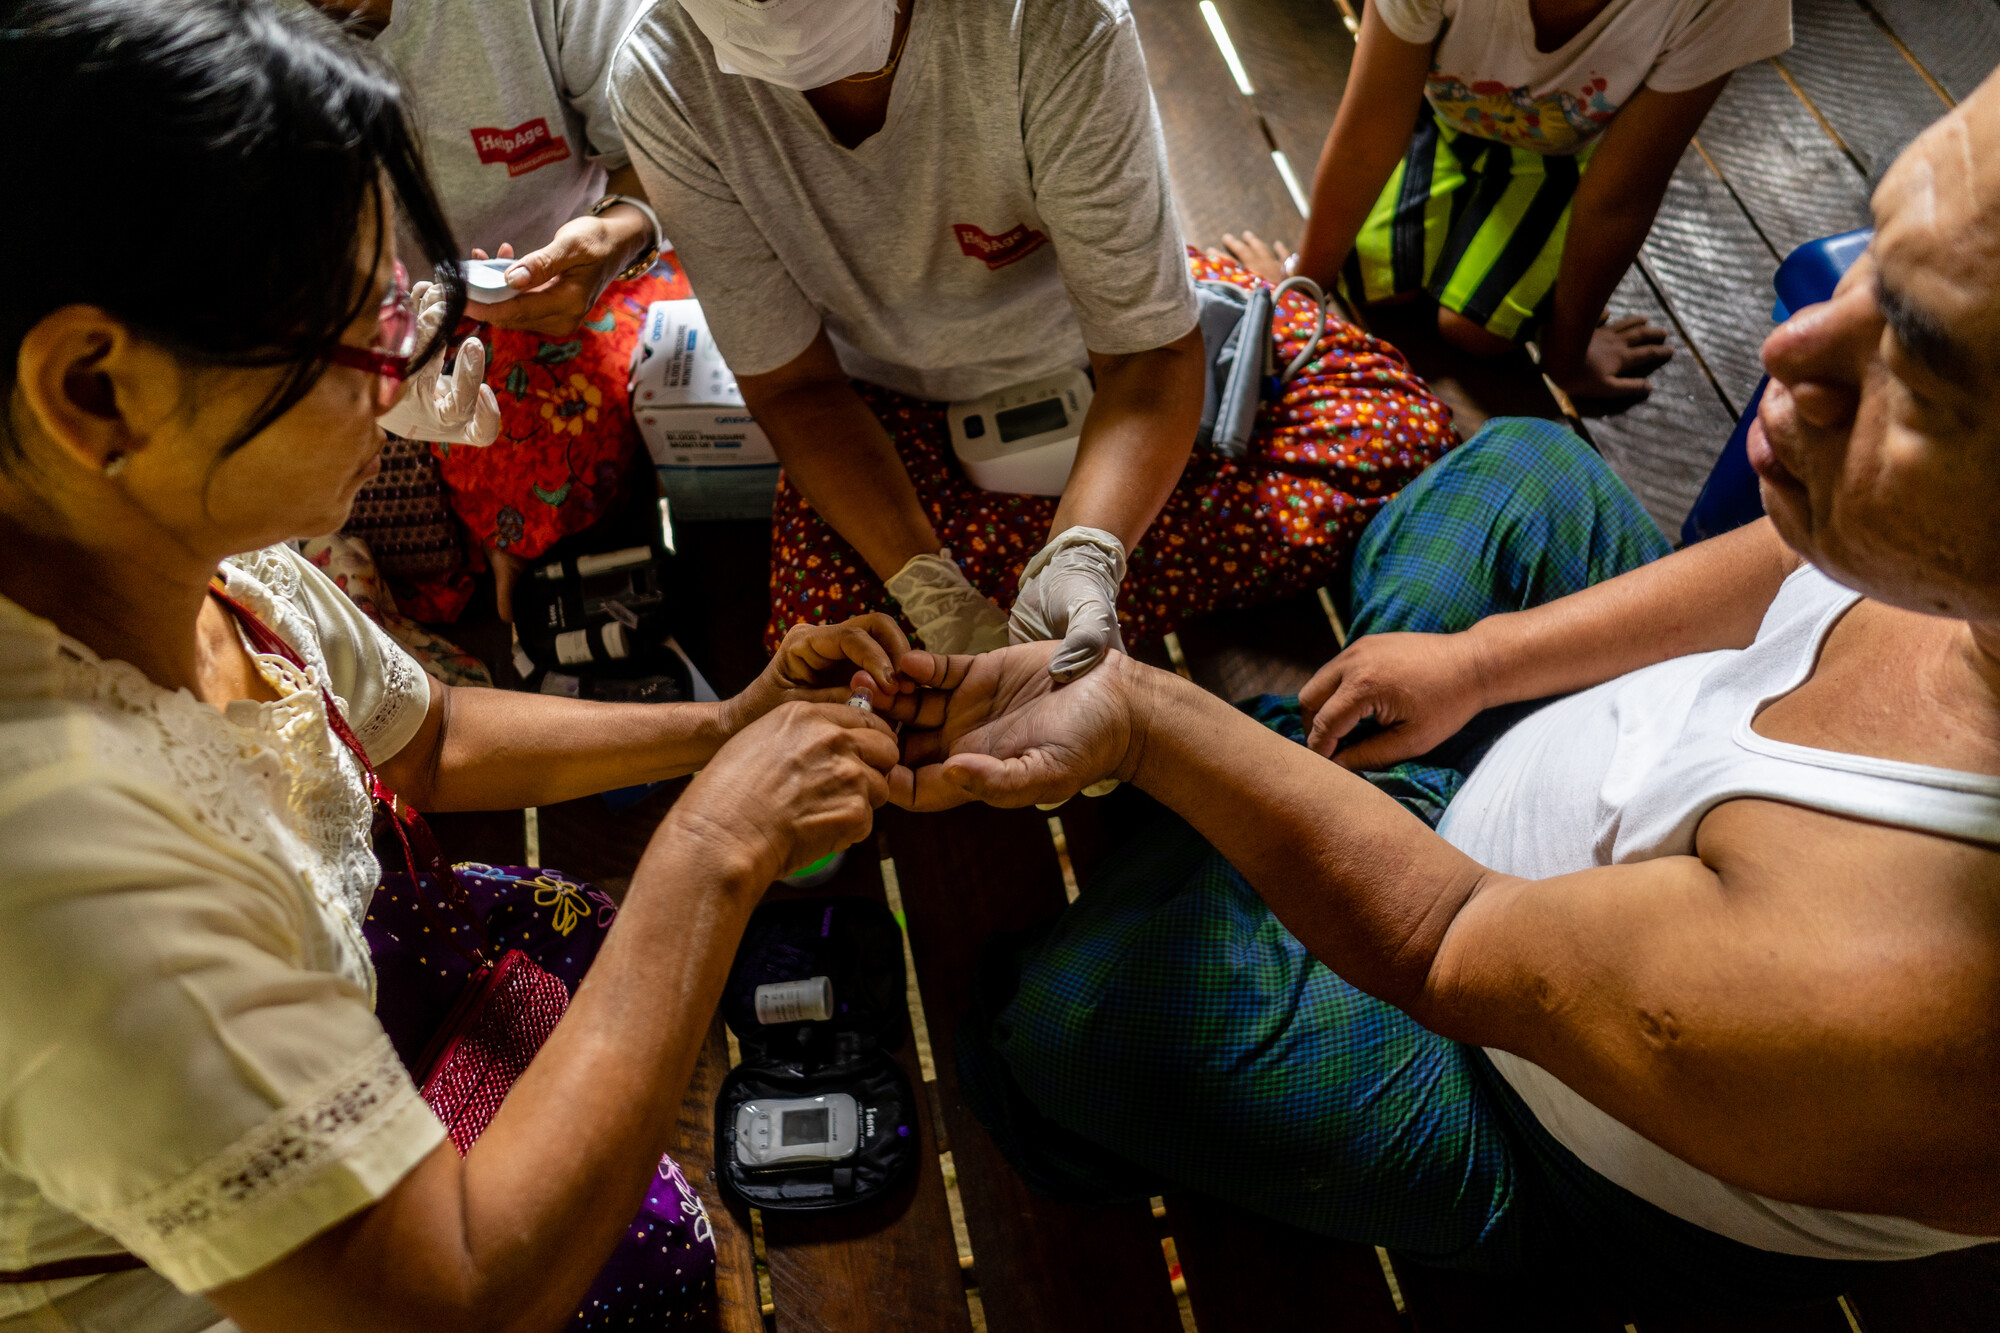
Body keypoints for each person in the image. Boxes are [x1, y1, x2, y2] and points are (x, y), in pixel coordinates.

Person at [879, 64, 2000, 1308]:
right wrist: (1481, 663)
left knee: (1067, 1030)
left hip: (1539, 1092)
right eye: (1875, 264)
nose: (1790, 346)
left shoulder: (1914, 1003)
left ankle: (1235, 866)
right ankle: (1296, 800)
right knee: (1525, 464)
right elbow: (1793, 561)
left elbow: (1448, 936)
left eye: (1923, 370)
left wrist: (1149, 719)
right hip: (1582, 793)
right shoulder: (1934, 546)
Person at [0, 4, 911, 1330]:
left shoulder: (176, 551)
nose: (406, 376)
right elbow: (455, 1295)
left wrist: (730, 724)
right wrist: (713, 846)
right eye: (358, 328)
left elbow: (423, 738)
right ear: (96, 389)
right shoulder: (75, 881)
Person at [611, 0, 1458, 677]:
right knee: (841, 667)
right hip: (875, 402)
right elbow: (795, 387)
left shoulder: (1054, 21)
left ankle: (1074, 583)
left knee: (1394, 433)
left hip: (1105, 358)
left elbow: (1151, 353)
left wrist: (1085, 551)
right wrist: (933, 590)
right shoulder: (664, 74)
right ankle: (1044, 598)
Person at [1223, 0, 1791, 404]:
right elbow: (1370, 133)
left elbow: (1622, 192)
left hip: (1565, 158)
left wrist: (1567, 361)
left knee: (1476, 333)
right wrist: (1304, 291)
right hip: (1444, 121)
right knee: (1372, 280)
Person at [312, 0, 680, 622]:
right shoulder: (216, 46)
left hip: (567, 295)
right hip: (331, 325)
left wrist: (617, 236)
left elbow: (666, 162)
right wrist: (354, 353)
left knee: (546, 439)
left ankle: (520, 560)